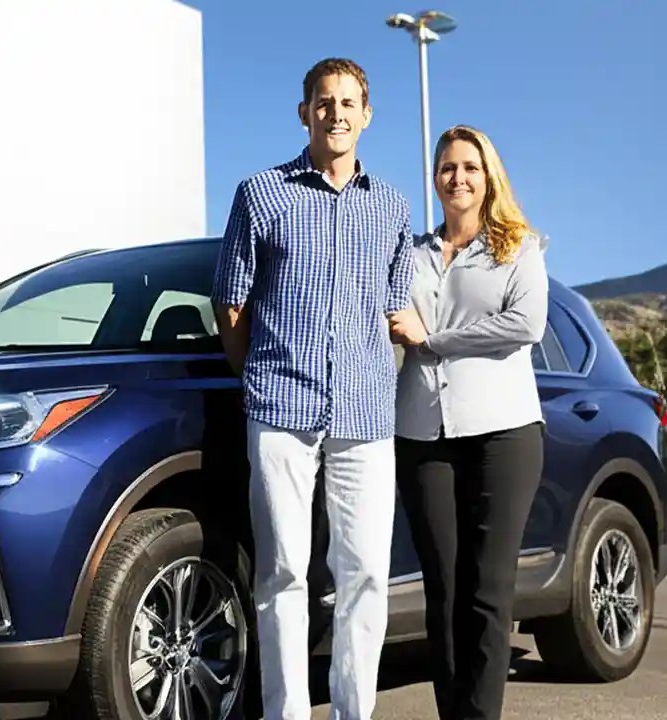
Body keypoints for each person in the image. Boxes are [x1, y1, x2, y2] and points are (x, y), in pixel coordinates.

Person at [212, 57, 415, 720]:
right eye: (323, 102)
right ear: (304, 112)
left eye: (348, 102)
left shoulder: (392, 207)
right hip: (281, 411)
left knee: (364, 576)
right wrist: (261, 376)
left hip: (365, 415)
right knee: (283, 574)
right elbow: (232, 304)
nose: (336, 113)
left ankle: (355, 712)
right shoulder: (261, 193)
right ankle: (287, 713)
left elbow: (394, 310)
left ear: (366, 114)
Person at [387, 124, 549, 720]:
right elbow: (381, 317)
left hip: (503, 433)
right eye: (447, 167)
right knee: (444, 591)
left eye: (470, 168)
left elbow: (524, 324)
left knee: (486, 592)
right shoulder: (409, 252)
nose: (458, 177)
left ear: (489, 178)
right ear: (435, 178)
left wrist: (434, 339)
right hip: (422, 432)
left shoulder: (519, 247)